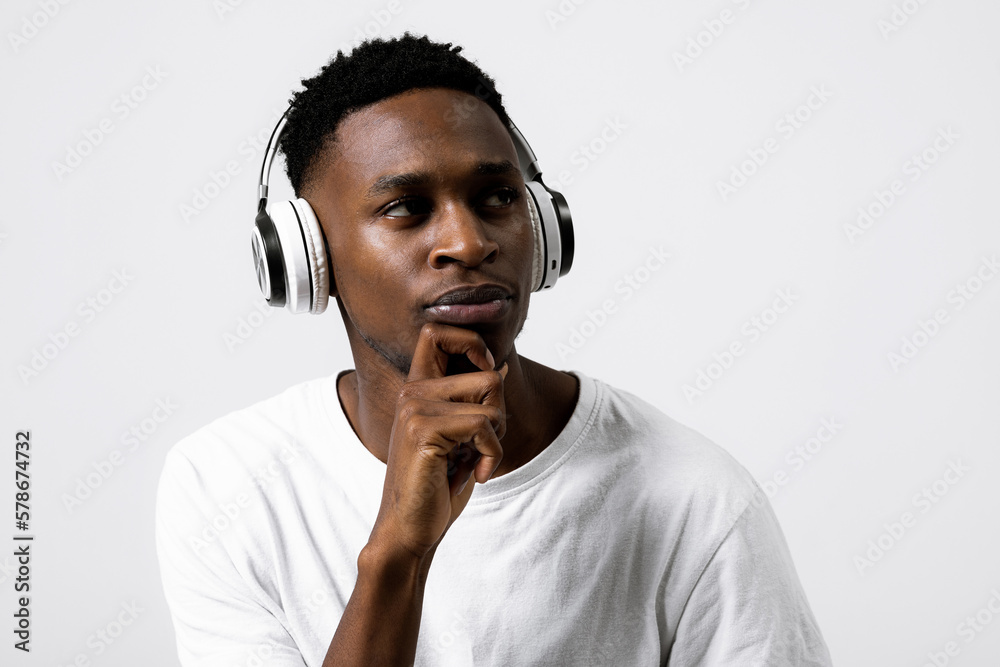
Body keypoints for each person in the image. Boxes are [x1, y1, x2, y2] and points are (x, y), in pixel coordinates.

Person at [155, 32, 834, 666]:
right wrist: (397, 552)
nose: (469, 241)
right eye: (406, 208)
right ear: (308, 260)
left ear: (541, 228)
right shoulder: (225, 488)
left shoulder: (696, 495)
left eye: (497, 197)